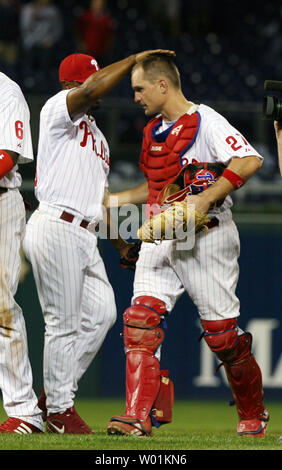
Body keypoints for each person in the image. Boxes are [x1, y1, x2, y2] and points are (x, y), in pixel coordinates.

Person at [106, 54, 269, 438]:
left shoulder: (205, 121)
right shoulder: (152, 131)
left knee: (223, 336)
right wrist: (114, 201)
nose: (135, 98)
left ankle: (253, 413)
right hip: (161, 233)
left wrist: (205, 197)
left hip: (206, 234)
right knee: (140, 323)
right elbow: (154, 187)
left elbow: (250, 159)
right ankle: (137, 417)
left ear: (163, 85)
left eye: (139, 89)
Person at [22, 49, 175, 434]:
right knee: (63, 323)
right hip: (56, 223)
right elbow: (90, 90)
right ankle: (59, 411)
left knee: (103, 313)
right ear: (71, 83)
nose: (98, 89)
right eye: (89, 81)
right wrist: (134, 59)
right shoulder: (58, 110)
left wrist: (122, 247)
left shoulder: (100, 140)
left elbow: (100, 199)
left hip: (86, 232)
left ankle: (53, 395)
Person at [0, 71, 44, 434]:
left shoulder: (5, 89)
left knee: (0, 305)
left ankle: (25, 411)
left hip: (1, 202)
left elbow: (7, 156)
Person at [19, 0, 63, 89]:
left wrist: (51, 39)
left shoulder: (53, 11)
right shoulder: (28, 9)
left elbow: (58, 29)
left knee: (47, 59)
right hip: (31, 42)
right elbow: (24, 28)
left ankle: (45, 82)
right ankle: (28, 81)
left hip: (46, 42)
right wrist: (31, 16)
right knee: (28, 55)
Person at [76, 0, 115, 67]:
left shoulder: (107, 19)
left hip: (101, 53)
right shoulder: (85, 17)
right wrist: (80, 43)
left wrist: (107, 48)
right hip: (87, 52)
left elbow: (110, 36)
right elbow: (78, 31)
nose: (98, 6)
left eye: (101, 4)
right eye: (96, 3)